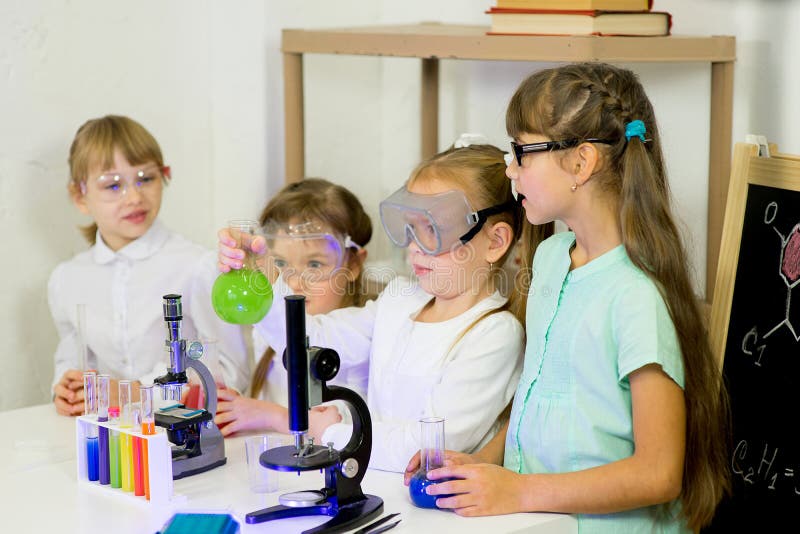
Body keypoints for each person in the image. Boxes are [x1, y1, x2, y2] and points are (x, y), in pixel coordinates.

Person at [403, 63, 731, 533]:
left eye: (521, 152)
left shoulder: (635, 295)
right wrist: (481, 465)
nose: (509, 169)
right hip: (541, 518)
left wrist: (519, 491)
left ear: (580, 163)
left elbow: (658, 475)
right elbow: (535, 402)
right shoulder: (554, 257)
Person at [217, 135, 552, 472]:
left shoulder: (495, 333)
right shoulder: (397, 301)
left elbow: (429, 447)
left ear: (495, 241)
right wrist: (257, 276)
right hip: (376, 487)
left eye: (433, 229)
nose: (415, 246)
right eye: (412, 226)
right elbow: (309, 346)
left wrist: (332, 432)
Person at [49, 115, 249, 415]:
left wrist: (135, 393)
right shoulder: (66, 280)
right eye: (112, 185)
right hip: (106, 437)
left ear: (163, 176)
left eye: (146, 178)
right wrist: (65, 387)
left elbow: (231, 374)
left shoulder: (197, 267)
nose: (134, 197)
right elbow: (74, 357)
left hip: (182, 439)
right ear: (80, 195)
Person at [212, 178, 374, 436]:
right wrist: (234, 407)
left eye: (314, 265)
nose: (296, 281)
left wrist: (271, 415)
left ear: (353, 264)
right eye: (281, 264)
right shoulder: (268, 330)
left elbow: (343, 430)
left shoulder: (360, 335)